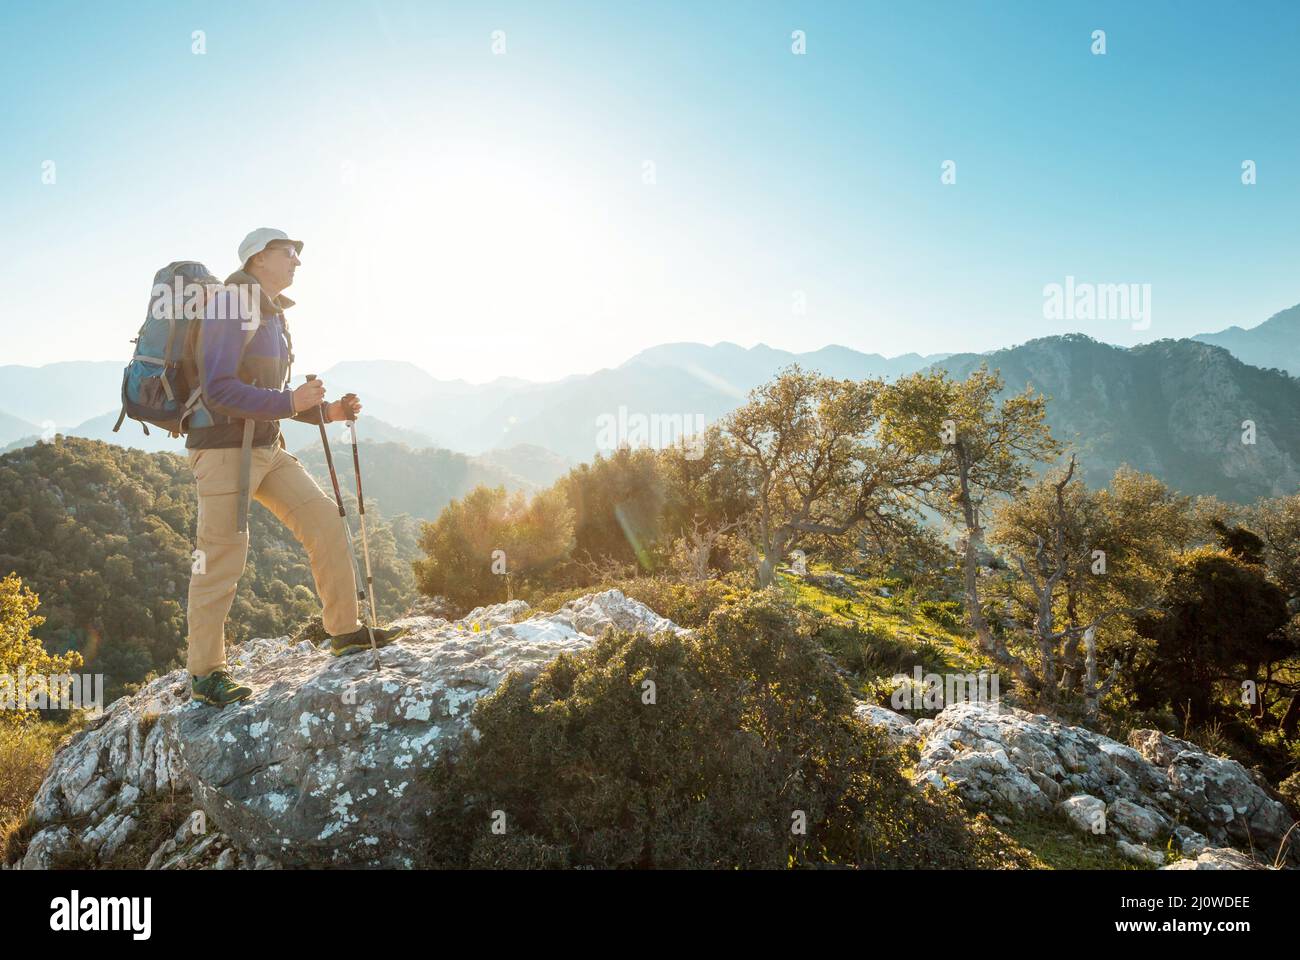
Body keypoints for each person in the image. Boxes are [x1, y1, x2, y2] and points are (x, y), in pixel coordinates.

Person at [185, 228, 403, 707]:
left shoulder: (273, 313)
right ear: (259, 258)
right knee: (220, 558)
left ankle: (344, 630)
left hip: (266, 445)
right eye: (289, 253)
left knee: (325, 521)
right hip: (223, 451)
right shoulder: (229, 305)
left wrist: (326, 412)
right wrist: (290, 401)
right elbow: (218, 389)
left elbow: (269, 394)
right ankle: (205, 674)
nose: (297, 262)